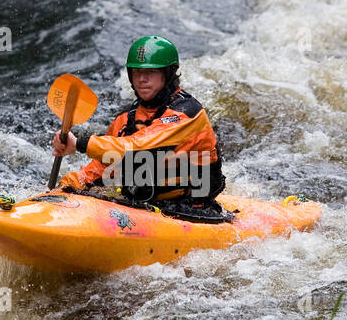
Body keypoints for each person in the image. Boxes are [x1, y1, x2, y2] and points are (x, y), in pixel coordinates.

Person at [52, 35, 226, 217]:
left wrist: (79, 144)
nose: (142, 79)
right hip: (144, 207)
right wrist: (67, 188)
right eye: (136, 72)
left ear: (167, 73)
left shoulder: (188, 113)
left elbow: (137, 147)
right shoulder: (126, 118)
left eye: (150, 72)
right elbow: (102, 166)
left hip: (194, 210)